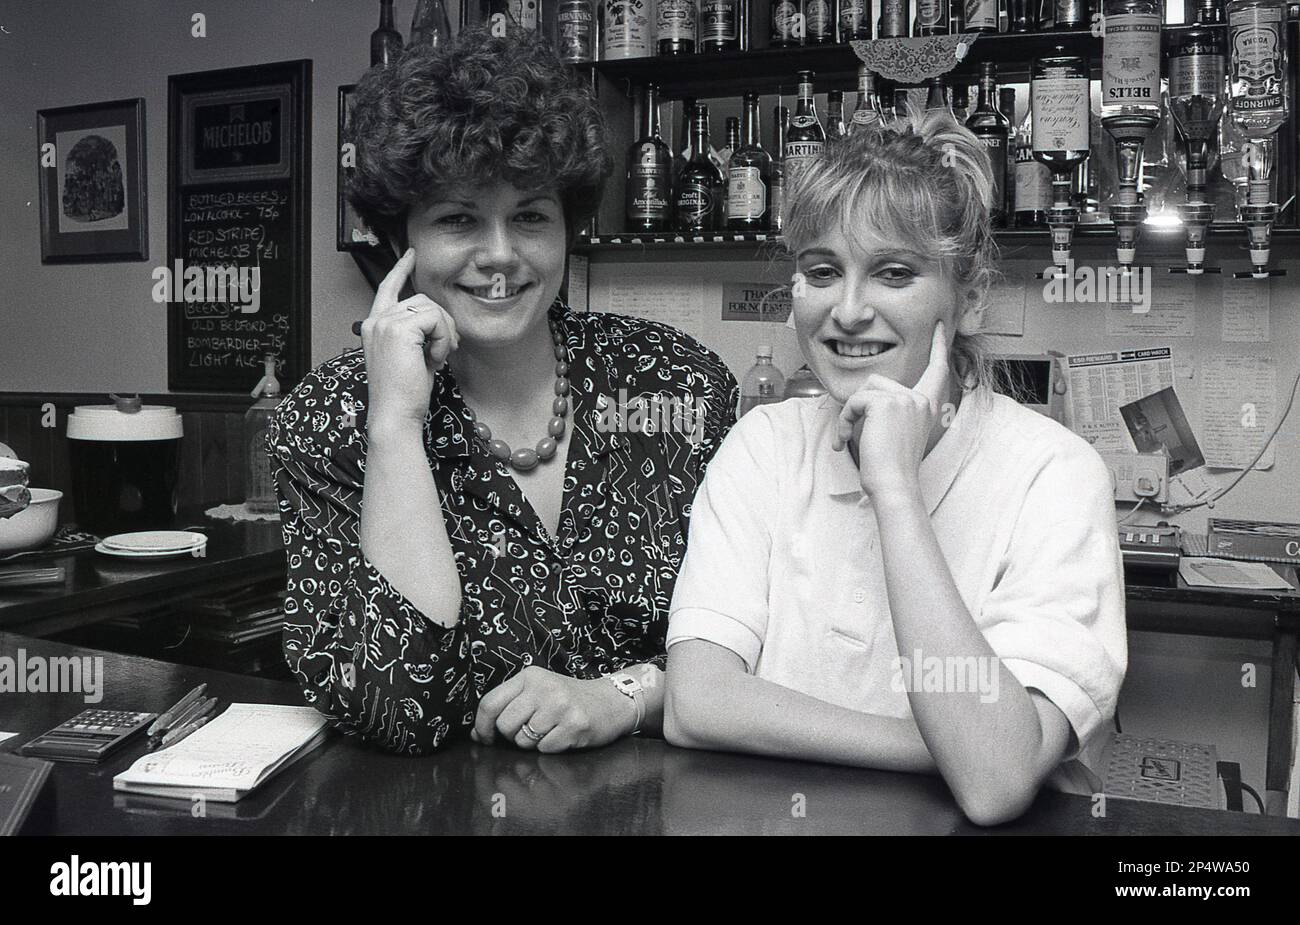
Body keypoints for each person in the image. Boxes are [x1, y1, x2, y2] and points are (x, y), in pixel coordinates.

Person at [268, 27, 737, 755]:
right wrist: (395, 424)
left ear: (567, 228)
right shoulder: (327, 418)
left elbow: (770, 646)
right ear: (401, 240)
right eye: (458, 218)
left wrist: (625, 697)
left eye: (529, 216)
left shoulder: (677, 383)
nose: (499, 255)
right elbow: (400, 710)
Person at [663, 111, 1127, 826]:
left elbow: (994, 781)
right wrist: (938, 745)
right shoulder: (763, 443)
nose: (848, 311)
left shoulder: (1054, 474)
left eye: (894, 272)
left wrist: (896, 489)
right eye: (822, 272)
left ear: (968, 299)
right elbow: (697, 701)